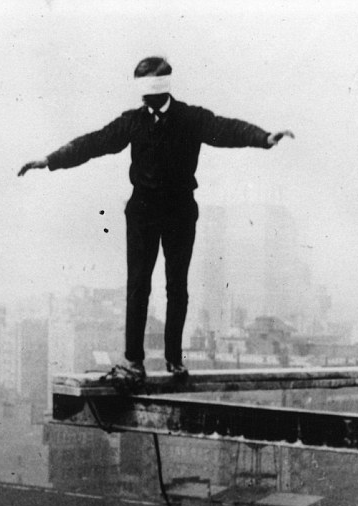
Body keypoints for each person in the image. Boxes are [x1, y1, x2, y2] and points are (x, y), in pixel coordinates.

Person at [19, 56, 294, 389]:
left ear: (160, 89)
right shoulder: (134, 122)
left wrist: (264, 138)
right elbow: (94, 142)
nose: (145, 98)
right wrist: (50, 160)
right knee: (139, 285)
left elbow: (227, 129)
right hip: (143, 212)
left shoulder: (190, 118)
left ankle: (173, 358)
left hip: (178, 211)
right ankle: (134, 360)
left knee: (176, 286)